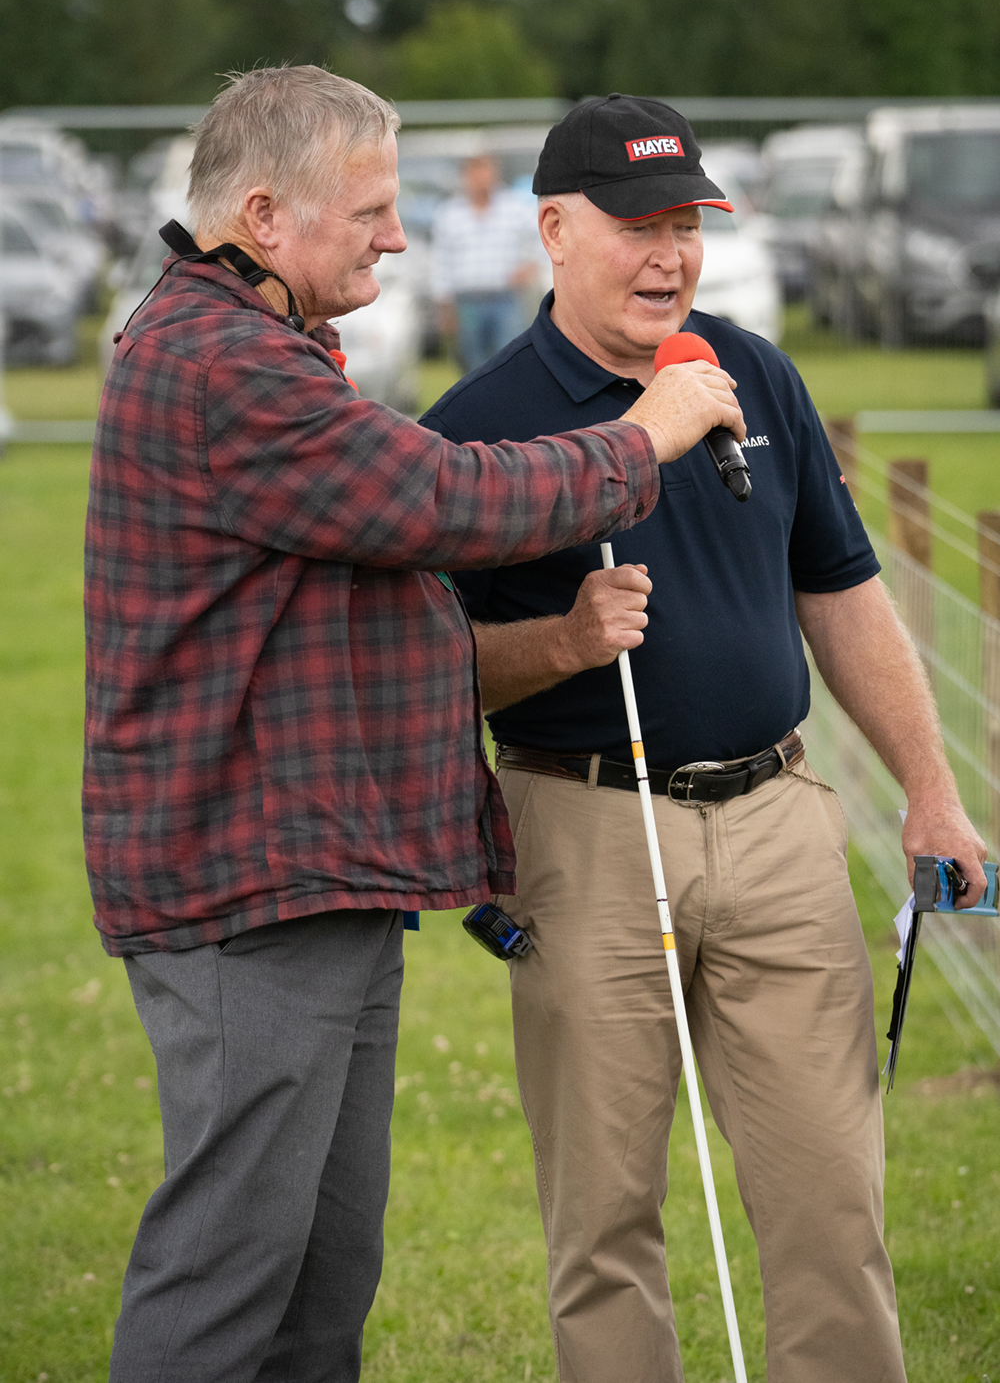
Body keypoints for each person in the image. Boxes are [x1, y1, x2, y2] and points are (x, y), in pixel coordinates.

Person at [83, 68, 747, 1383]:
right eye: (375, 208)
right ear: (266, 217)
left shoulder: (265, 346)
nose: (403, 235)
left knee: (321, 1280)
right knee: (228, 1281)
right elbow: (442, 498)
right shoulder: (225, 368)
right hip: (248, 895)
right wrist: (647, 434)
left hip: (314, 879)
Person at [421, 94, 988, 1383]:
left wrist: (932, 792)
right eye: (636, 226)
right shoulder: (473, 426)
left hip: (784, 821)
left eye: (685, 223)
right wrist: (560, 642)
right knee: (606, 1220)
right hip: (583, 834)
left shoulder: (750, 371)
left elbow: (841, 594)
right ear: (555, 230)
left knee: (832, 1205)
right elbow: (422, 669)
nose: (668, 254)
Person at [431, 153, 542, 371]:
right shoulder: (450, 213)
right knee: (472, 362)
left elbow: (542, 237)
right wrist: (444, 305)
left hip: (505, 298)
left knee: (510, 360)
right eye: (474, 172)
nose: (480, 178)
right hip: (467, 300)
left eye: (485, 171)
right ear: (465, 176)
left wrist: (530, 266)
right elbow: (441, 262)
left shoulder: (515, 207)